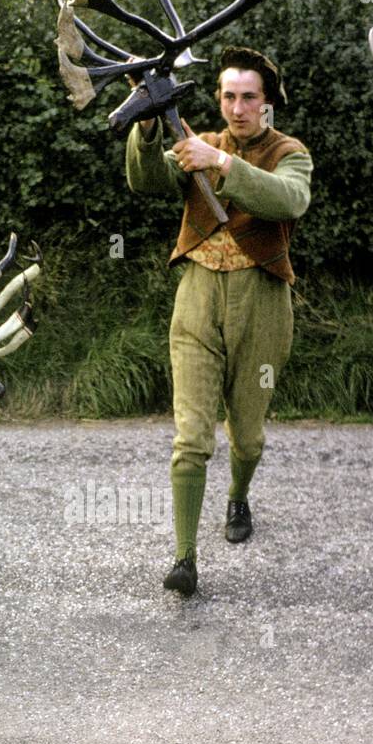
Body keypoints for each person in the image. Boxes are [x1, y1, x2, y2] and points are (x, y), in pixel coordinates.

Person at [126, 45, 313, 596]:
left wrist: (225, 165)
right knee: (191, 435)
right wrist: (146, 132)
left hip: (263, 301)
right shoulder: (196, 141)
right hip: (198, 296)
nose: (236, 108)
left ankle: (238, 495)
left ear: (267, 103)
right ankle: (184, 557)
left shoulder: (290, 153)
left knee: (248, 437)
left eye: (248, 97)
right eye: (228, 96)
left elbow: (290, 200)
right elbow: (147, 180)